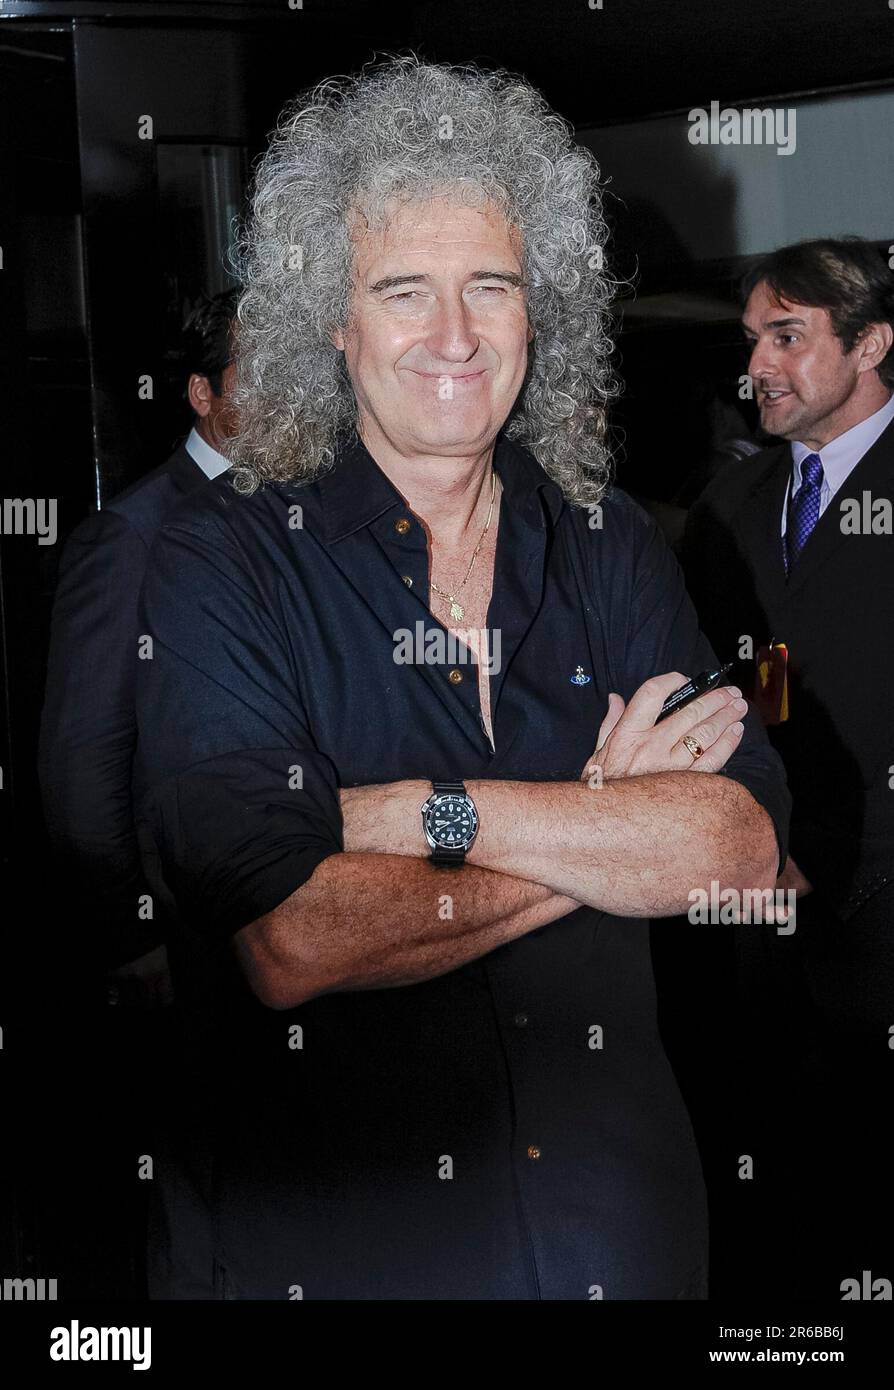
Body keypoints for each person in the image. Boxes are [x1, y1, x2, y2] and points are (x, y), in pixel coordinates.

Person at [134, 57, 789, 1301]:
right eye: (403, 290)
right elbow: (290, 935)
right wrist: (602, 805)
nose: (453, 336)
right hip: (349, 1251)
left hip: (621, 1237)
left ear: (536, 311)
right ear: (333, 319)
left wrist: (425, 812)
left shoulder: (610, 541)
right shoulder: (220, 558)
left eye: (489, 285)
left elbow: (740, 852)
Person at [680, 237, 894, 1297]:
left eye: (788, 336)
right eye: (752, 338)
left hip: (882, 903)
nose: (757, 363)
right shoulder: (728, 508)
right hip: (759, 908)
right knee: (773, 1194)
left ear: (872, 345)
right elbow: (736, 693)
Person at [39, 288, 239, 1000]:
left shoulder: (304, 514)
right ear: (201, 393)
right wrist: (134, 934)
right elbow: (80, 767)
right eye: (262, 373)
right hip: (185, 932)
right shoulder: (131, 537)